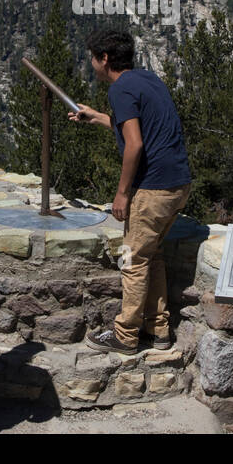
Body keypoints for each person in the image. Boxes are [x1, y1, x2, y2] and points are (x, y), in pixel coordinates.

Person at [68, 29, 192, 355]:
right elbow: (140, 130)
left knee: (133, 259)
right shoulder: (146, 78)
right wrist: (98, 118)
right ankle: (159, 329)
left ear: (104, 59)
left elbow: (134, 144)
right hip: (178, 184)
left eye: (93, 58)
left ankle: (125, 334)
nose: (92, 64)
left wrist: (122, 193)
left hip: (152, 189)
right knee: (153, 255)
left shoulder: (120, 89)